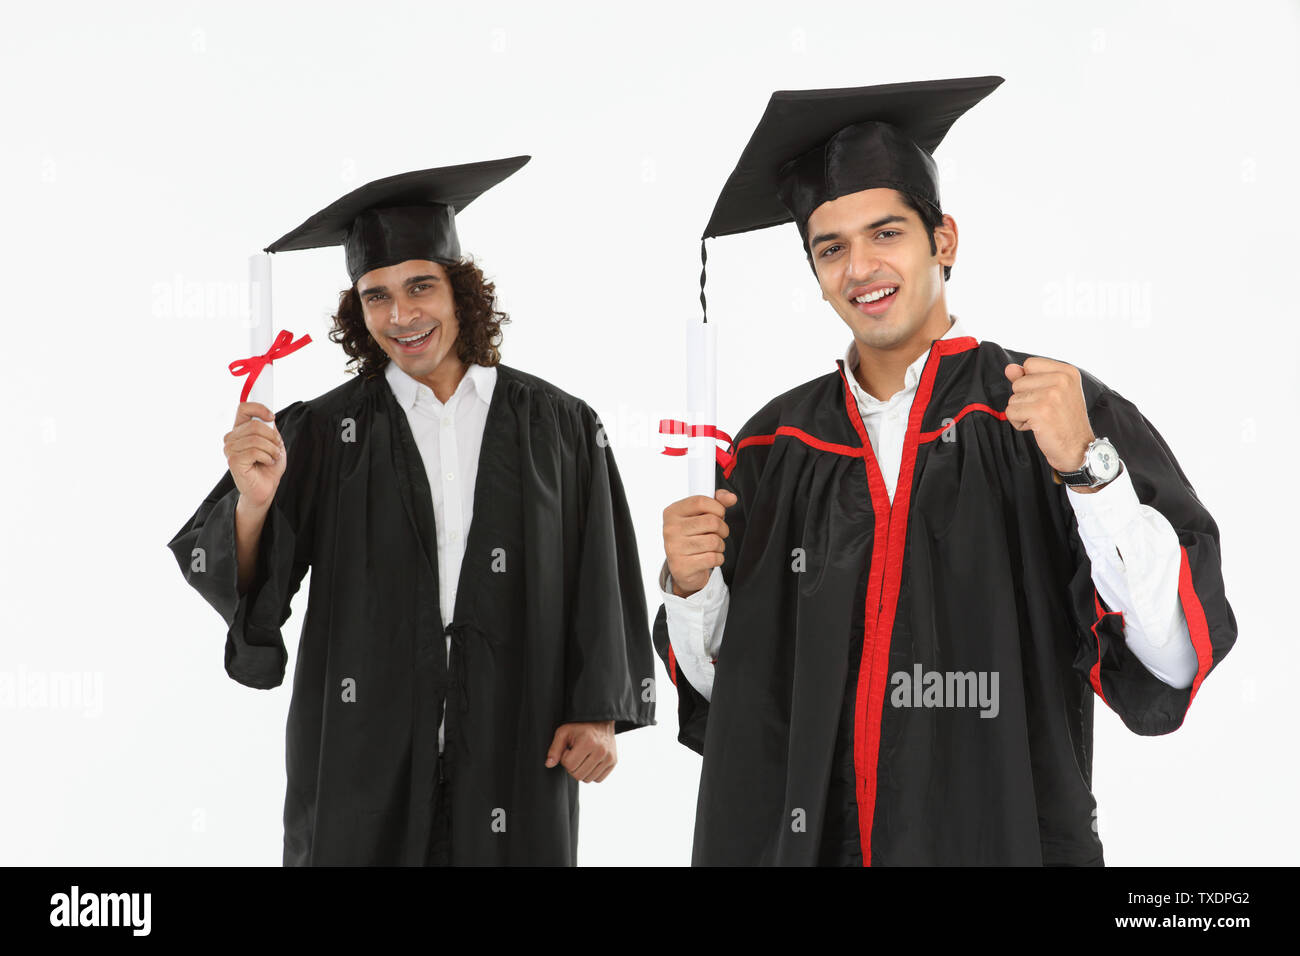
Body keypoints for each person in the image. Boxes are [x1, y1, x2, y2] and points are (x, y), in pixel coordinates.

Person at [652, 77, 1236, 865]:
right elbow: (737, 710)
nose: (860, 267)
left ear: (944, 240)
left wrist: (1089, 470)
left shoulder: (1045, 408)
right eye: (831, 248)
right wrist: (694, 594)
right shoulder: (772, 448)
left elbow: (1169, 660)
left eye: (885, 232)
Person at [168, 157, 656, 866]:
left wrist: (599, 709)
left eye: (420, 286)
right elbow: (252, 592)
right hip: (364, 746)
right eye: (376, 296)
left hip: (515, 740)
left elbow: (601, 569)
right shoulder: (322, 433)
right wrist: (254, 503)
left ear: (461, 292)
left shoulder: (559, 424)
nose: (401, 315)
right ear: (356, 310)